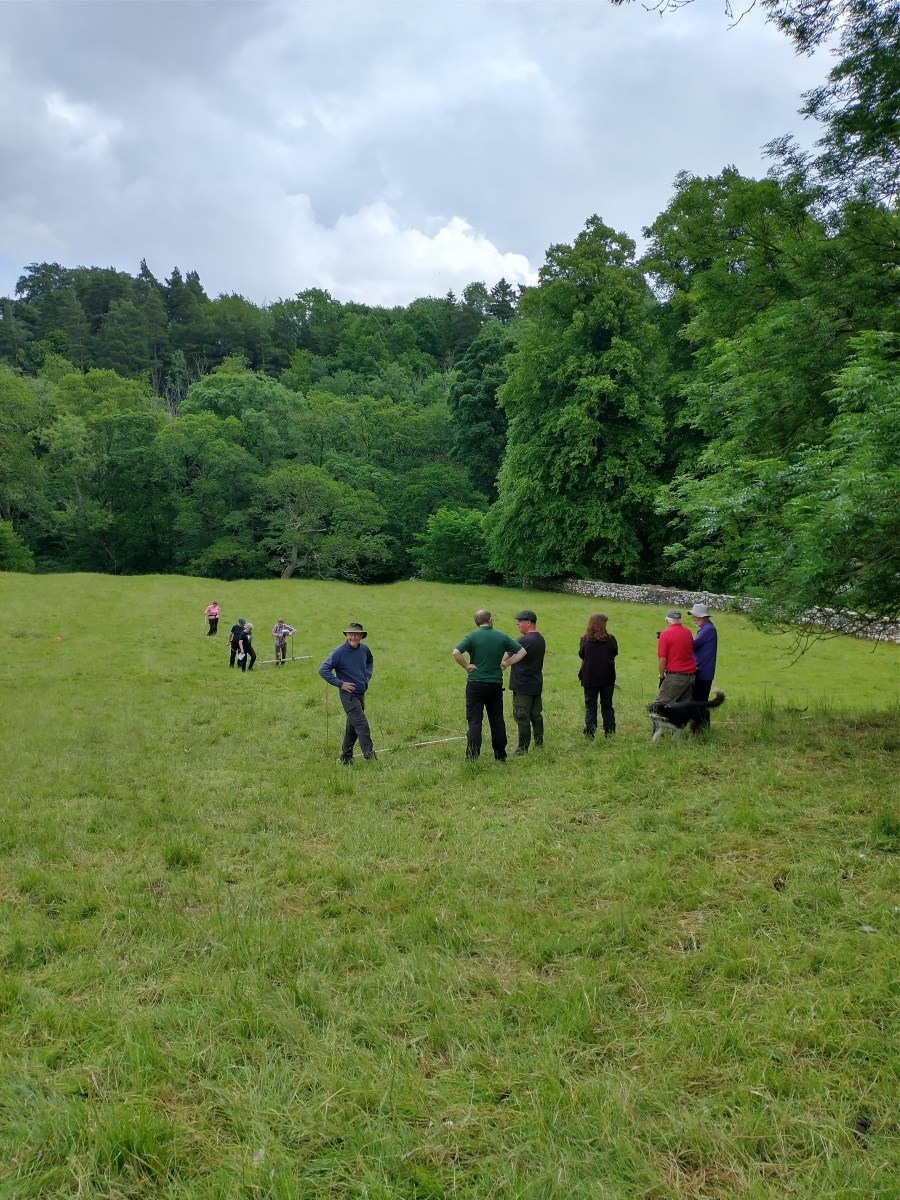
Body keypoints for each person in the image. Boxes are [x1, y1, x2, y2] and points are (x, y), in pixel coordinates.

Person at [452, 610, 527, 762]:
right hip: (495, 685)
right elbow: (522, 651)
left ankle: (472, 756)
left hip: (475, 684)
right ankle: (500, 755)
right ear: (491, 620)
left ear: (477, 623)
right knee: (497, 720)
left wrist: (466, 666)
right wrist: (507, 663)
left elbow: (455, 652)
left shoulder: (472, 636)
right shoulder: (501, 636)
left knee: (475, 721)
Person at [319, 622, 376, 764]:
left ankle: (346, 757)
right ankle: (370, 757)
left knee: (352, 727)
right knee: (362, 725)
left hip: (361, 693)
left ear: (361, 636)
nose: (353, 637)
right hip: (348, 696)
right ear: (346, 635)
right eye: (350, 634)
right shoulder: (339, 652)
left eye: (356, 634)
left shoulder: (365, 649)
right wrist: (340, 684)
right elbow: (323, 670)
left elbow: (370, 661)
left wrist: (366, 676)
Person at [504, 609, 545, 755]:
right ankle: (539, 743)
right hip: (536, 683)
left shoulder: (523, 640)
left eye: (520, 621)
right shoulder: (540, 639)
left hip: (522, 686)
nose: (517, 624)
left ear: (529, 622)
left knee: (522, 716)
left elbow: (505, 657)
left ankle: (522, 748)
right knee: (536, 715)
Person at [651, 610, 696, 729]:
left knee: (658, 706)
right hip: (690, 676)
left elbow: (662, 659)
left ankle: (657, 734)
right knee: (681, 707)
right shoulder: (688, 632)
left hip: (675, 676)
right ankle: (677, 734)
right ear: (680, 620)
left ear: (667, 620)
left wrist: (661, 676)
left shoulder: (665, 634)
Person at [578, 612, 618, 738]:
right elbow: (614, 652)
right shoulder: (611, 639)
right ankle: (610, 732)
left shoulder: (585, 640)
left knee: (590, 706)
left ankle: (590, 732)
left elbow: (581, 654)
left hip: (589, 677)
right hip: (607, 677)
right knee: (607, 706)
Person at [689, 603, 718, 728]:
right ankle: (703, 727)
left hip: (703, 671)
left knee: (699, 701)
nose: (694, 618)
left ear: (705, 617)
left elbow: (692, 645)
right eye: (693, 616)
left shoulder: (707, 629)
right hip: (705, 670)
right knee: (701, 701)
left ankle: (701, 727)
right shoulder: (707, 628)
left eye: (697, 616)